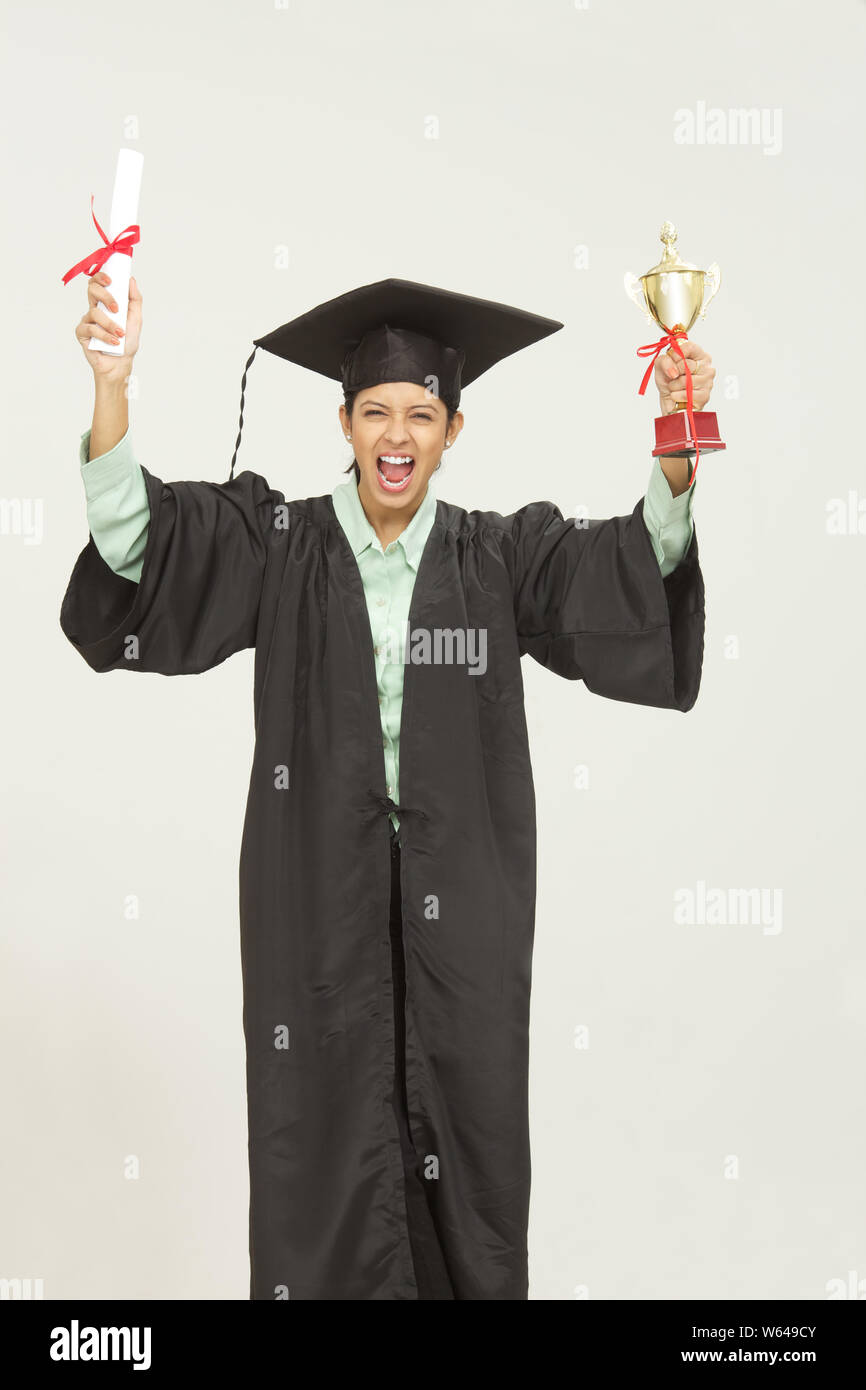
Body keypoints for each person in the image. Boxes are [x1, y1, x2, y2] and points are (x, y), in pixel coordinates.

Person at [62, 273, 710, 1300]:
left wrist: (676, 441)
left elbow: (628, 568)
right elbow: (140, 544)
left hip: (465, 920)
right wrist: (113, 384)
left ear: (454, 429)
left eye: (420, 414)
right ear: (344, 421)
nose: (395, 436)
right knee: (321, 1136)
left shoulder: (497, 556)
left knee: (467, 1143)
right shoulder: (279, 546)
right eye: (375, 413)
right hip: (319, 908)